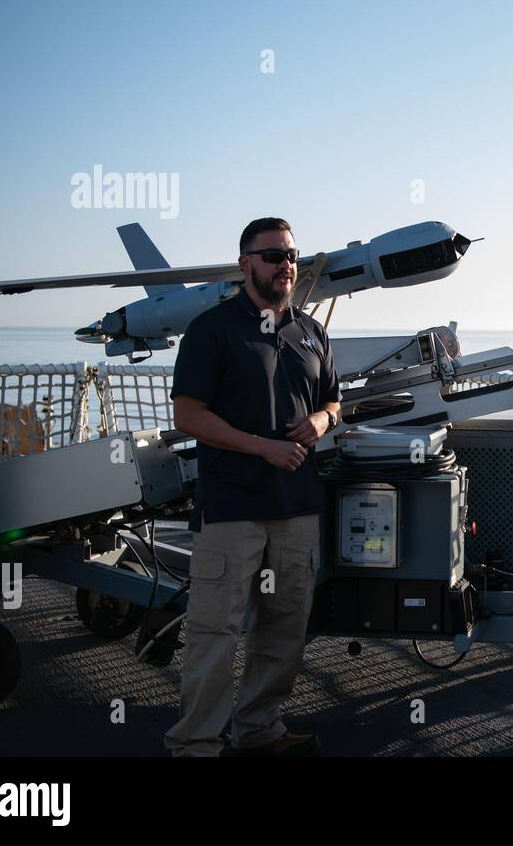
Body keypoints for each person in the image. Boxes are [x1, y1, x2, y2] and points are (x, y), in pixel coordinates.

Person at [163, 217, 341, 757]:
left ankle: (258, 729)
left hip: (296, 508)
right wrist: (262, 446)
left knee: (284, 631)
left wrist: (322, 422)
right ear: (245, 264)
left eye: (291, 256)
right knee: (214, 633)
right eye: (272, 256)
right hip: (232, 510)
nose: (285, 266)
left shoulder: (311, 332)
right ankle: (196, 745)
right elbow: (188, 415)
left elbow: (334, 400)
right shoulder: (212, 329)